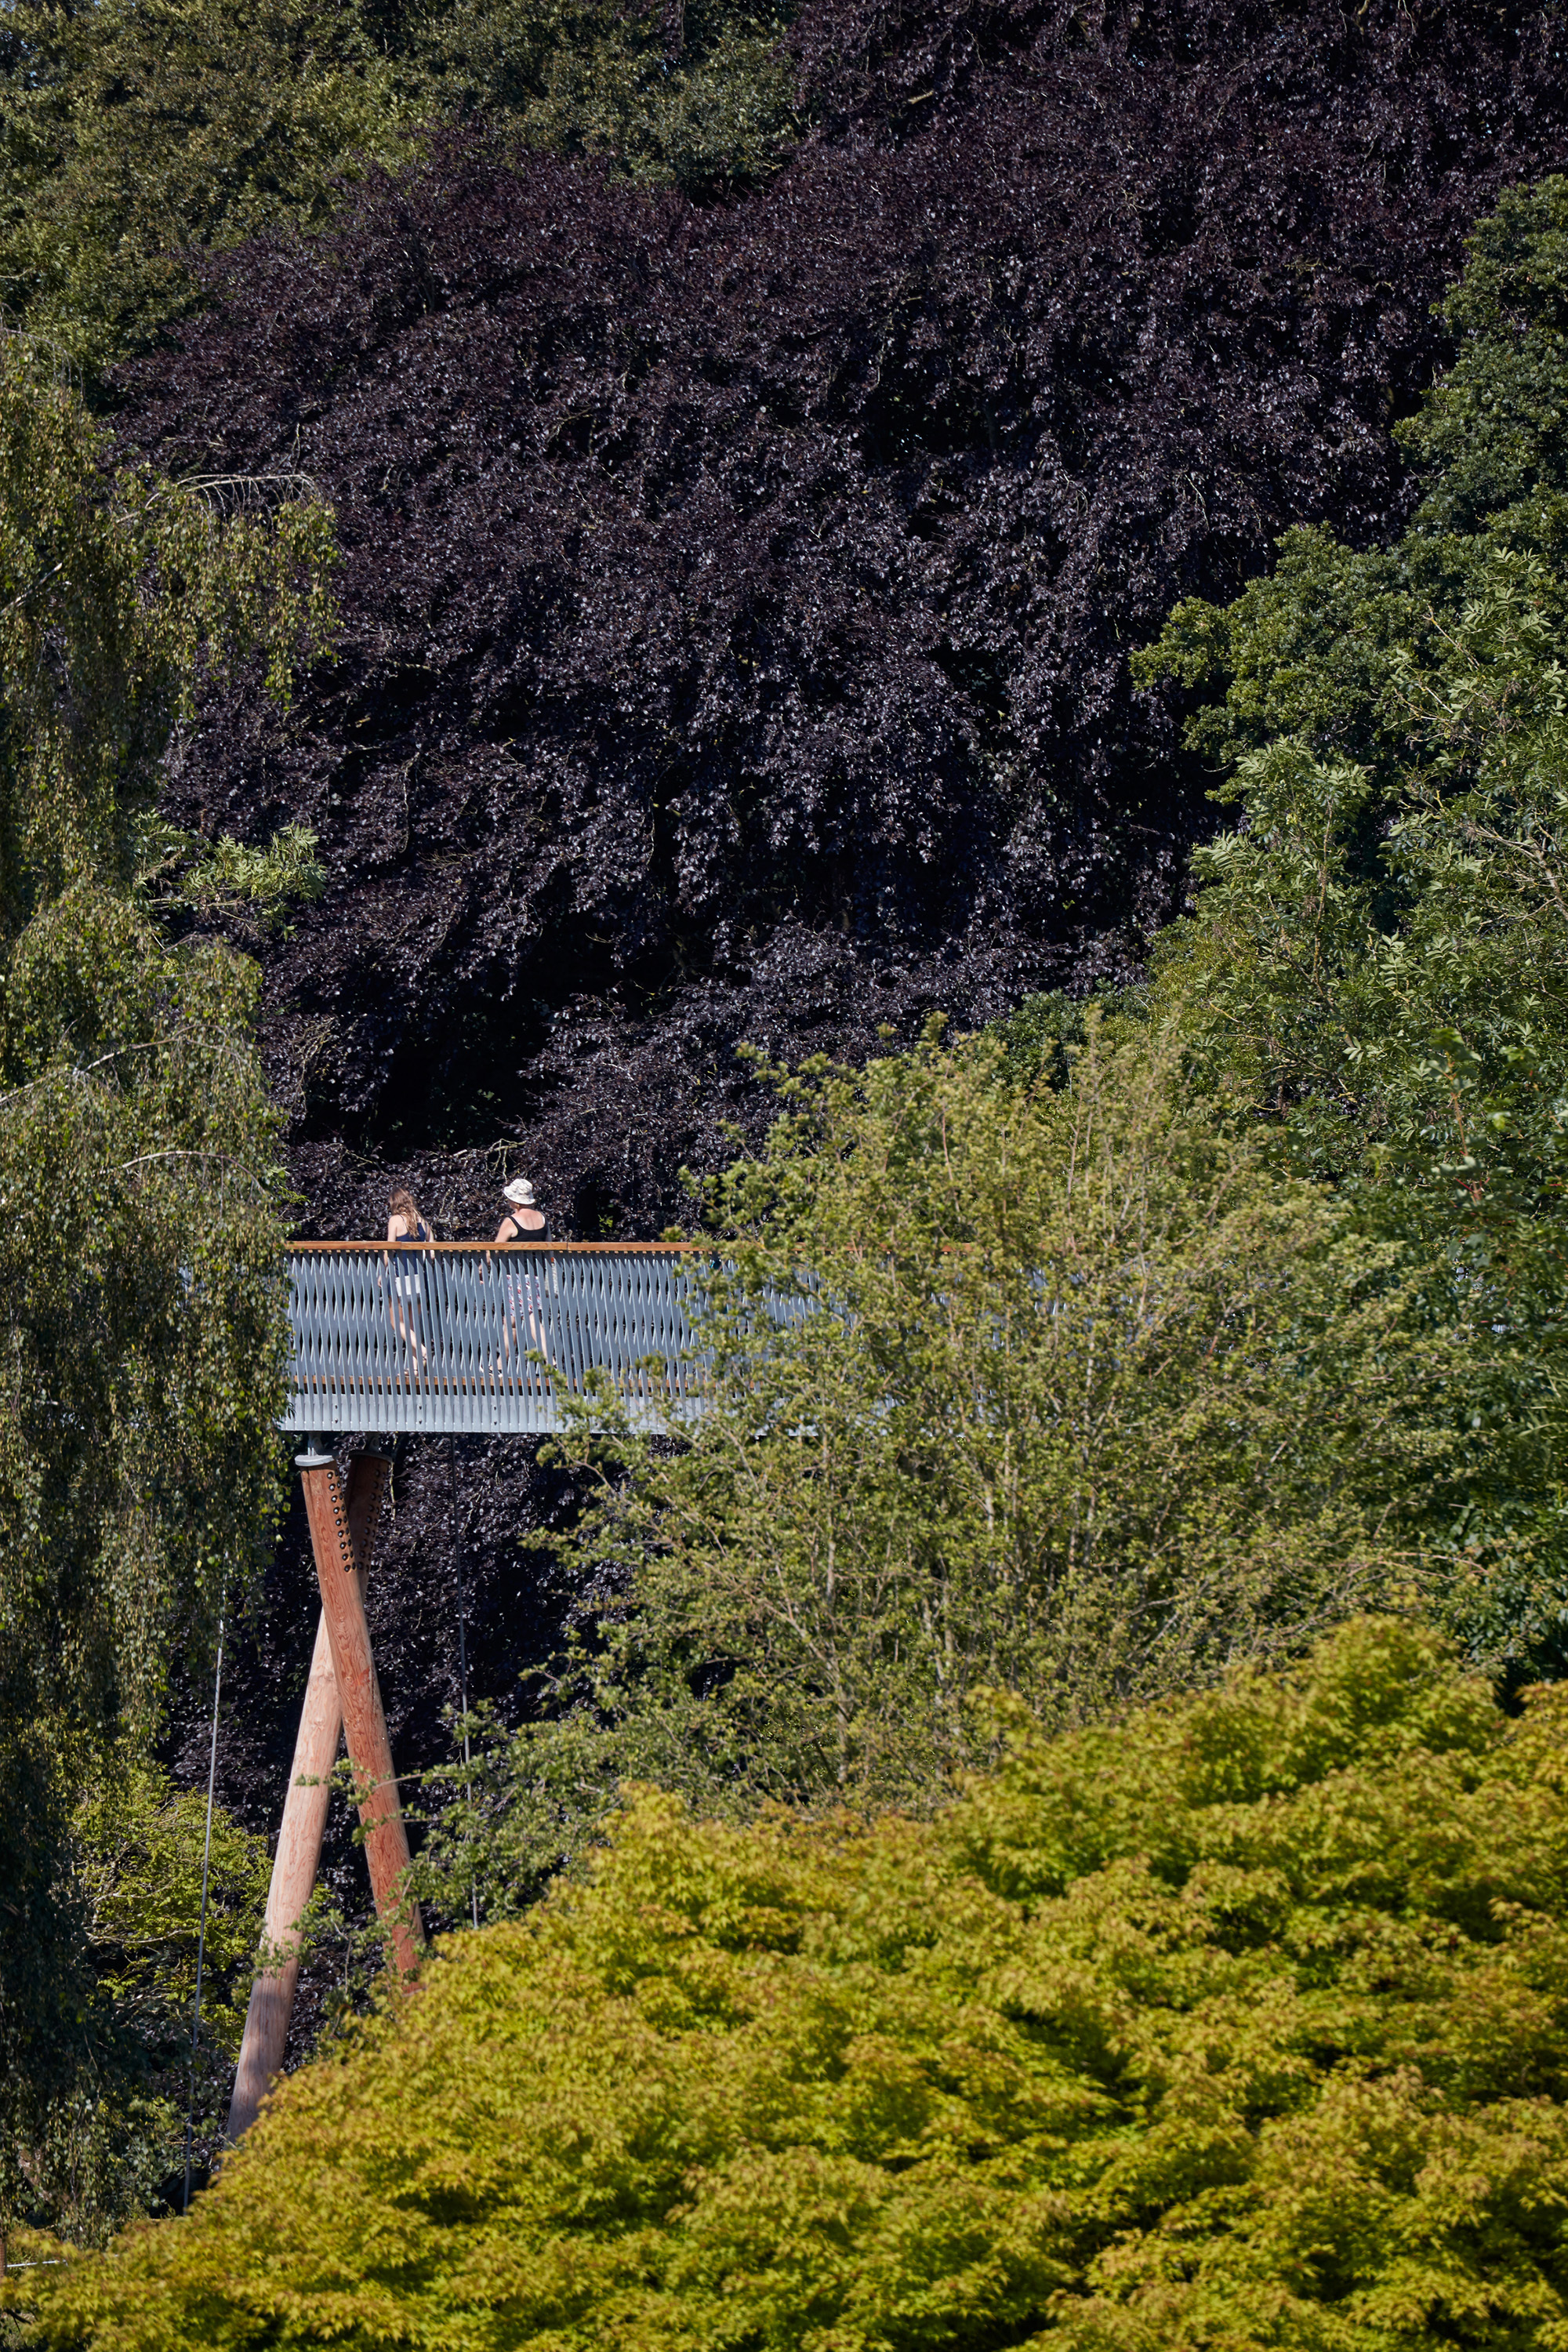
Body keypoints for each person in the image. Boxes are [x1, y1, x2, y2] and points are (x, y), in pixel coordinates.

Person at [495, 1176, 550, 1374]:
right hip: (536, 1275)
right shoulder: (542, 1219)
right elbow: (549, 1246)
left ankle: (549, 1360)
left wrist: (482, 1268)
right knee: (513, 1321)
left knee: (531, 1319)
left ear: (516, 1201)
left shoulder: (511, 1221)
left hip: (517, 1276)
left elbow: (495, 1248)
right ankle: (500, 1364)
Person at [386, 1187, 434, 1362]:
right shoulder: (424, 1222)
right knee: (411, 1324)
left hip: (399, 1275)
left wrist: (381, 1273)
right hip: (420, 1277)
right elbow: (432, 1253)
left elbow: (388, 1251)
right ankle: (415, 1366)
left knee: (396, 1323)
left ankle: (422, 1350)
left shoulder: (395, 1220)